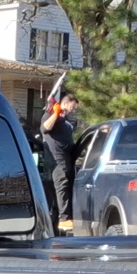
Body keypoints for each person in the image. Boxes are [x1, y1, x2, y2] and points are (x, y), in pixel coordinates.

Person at [41, 91, 80, 231]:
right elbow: (44, 128)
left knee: (64, 185)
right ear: (65, 103)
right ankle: (64, 218)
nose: (73, 110)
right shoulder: (52, 114)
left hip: (66, 158)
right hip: (56, 159)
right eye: (72, 107)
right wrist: (55, 113)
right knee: (61, 185)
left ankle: (58, 221)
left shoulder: (65, 120)